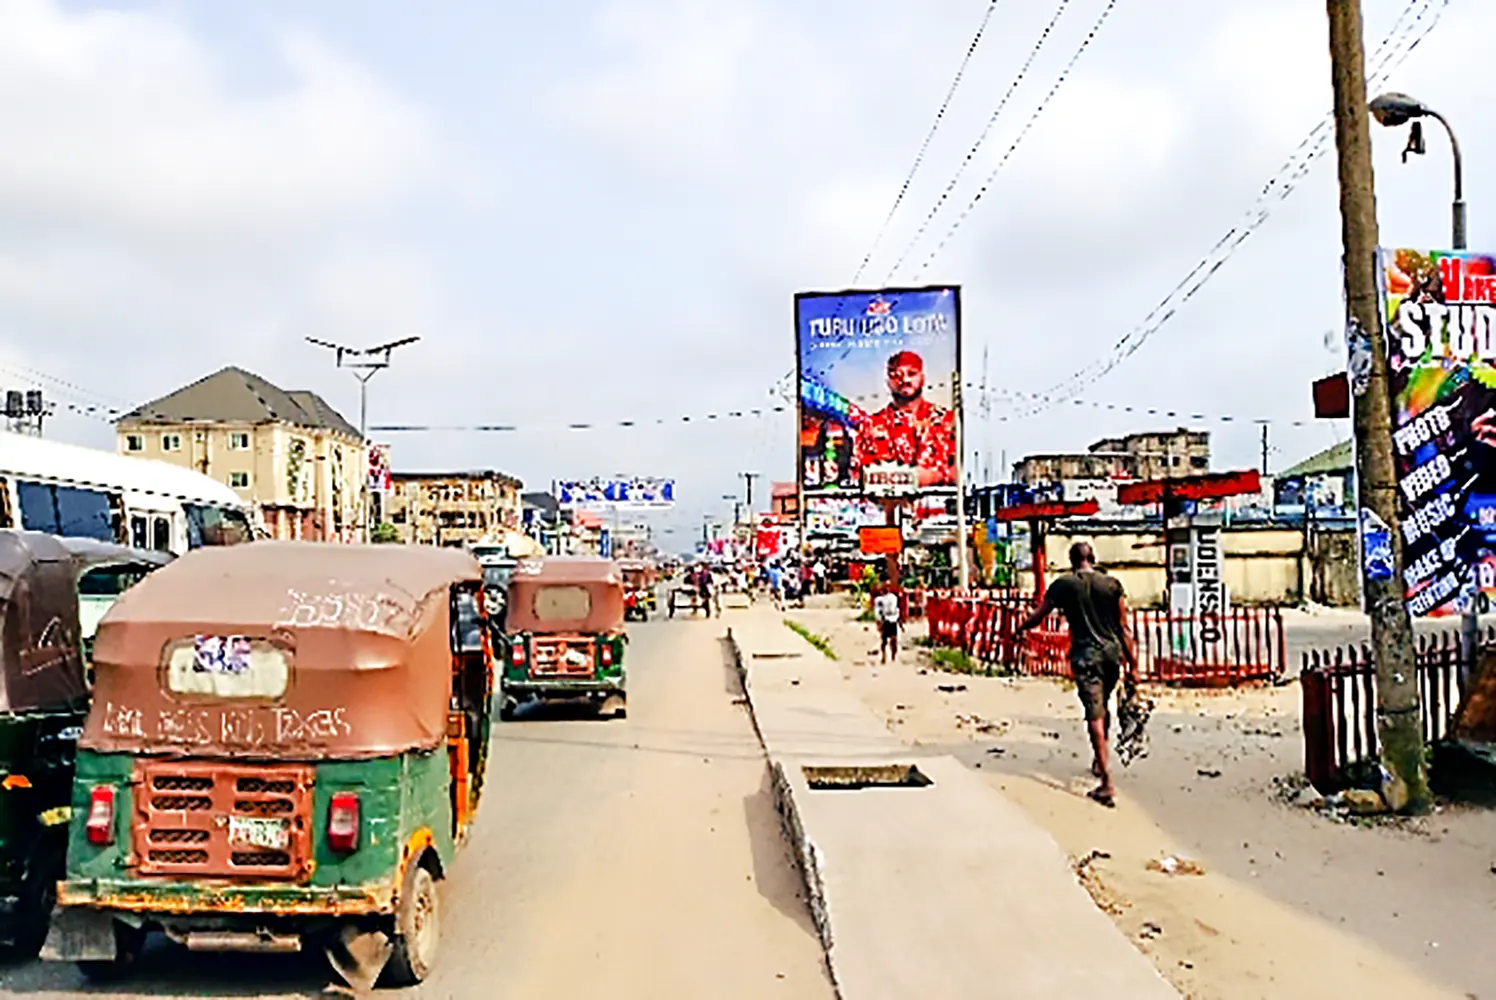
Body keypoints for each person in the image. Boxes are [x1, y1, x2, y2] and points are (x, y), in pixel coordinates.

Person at [1014, 541, 1138, 809]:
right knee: (1103, 708)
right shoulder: (1112, 584)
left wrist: (1020, 628)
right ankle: (1099, 761)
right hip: (1112, 656)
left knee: (1093, 715)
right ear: (1093, 558)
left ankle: (1106, 783)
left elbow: (1040, 615)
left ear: (1072, 560)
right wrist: (1134, 666)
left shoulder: (1065, 584)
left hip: (1086, 656)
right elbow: (1124, 628)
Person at [853, 350, 957, 488]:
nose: (905, 380)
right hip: (887, 507)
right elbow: (860, 476)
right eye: (896, 375)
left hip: (942, 507)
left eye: (912, 374)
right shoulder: (872, 425)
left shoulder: (947, 421)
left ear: (923, 378)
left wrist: (934, 477)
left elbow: (963, 472)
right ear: (888, 382)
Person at [873, 585, 901, 664]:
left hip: (893, 619)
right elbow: (877, 612)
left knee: (894, 640)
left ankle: (893, 655)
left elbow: (897, 609)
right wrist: (878, 622)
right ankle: (884, 656)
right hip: (884, 620)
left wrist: (900, 622)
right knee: (884, 641)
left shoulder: (893, 598)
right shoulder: (879, 600)